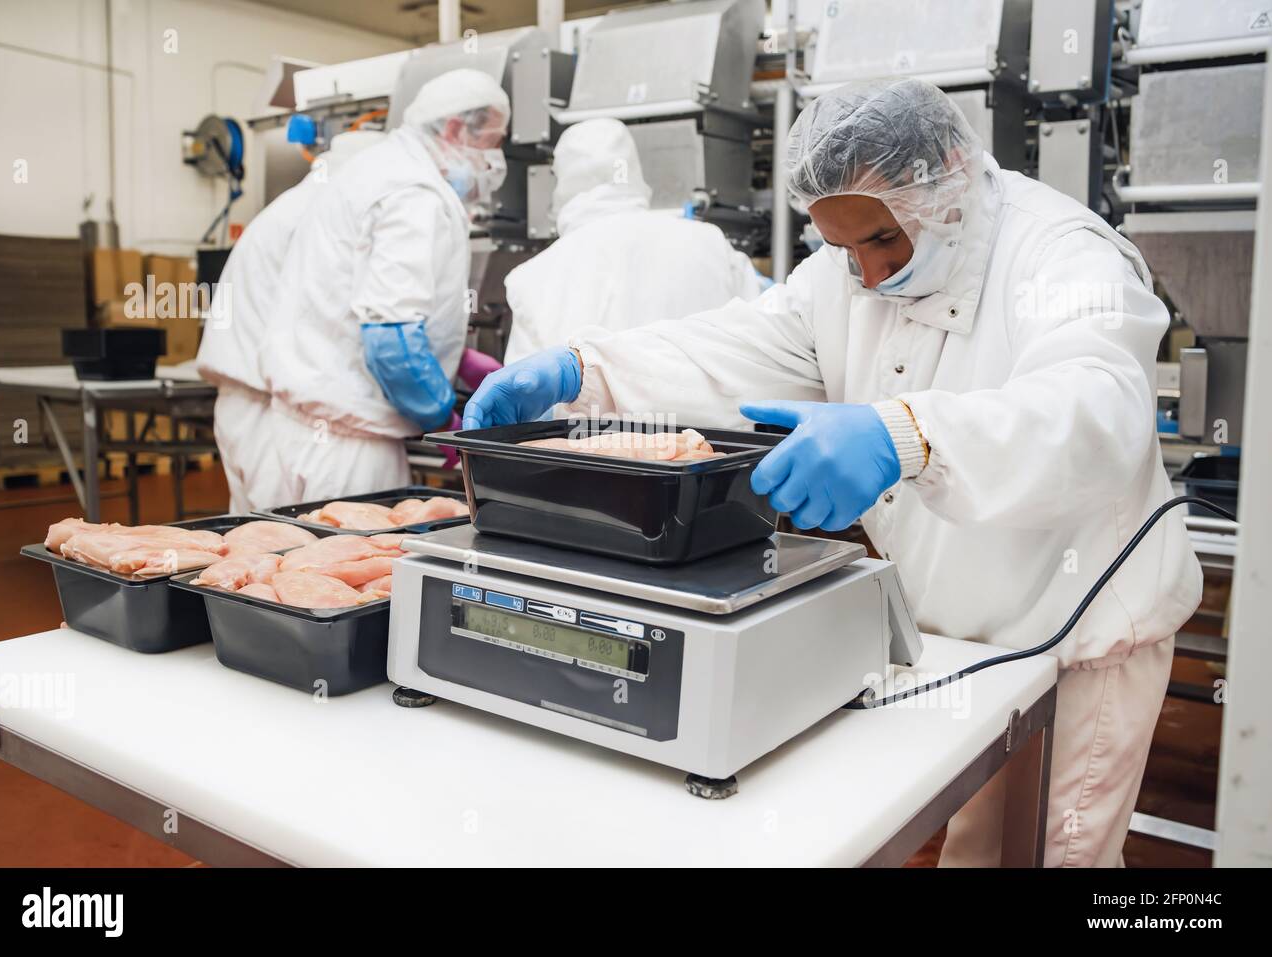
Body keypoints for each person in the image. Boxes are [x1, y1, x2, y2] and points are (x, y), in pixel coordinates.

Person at [463, 78, 1203, 868]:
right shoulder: (843, 274)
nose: (870, 275)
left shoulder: (1058, 251)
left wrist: (904, 435)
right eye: (844, 249)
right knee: (976, 851)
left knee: (1057, 854)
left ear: (950, 175)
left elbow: (1096, 410)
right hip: (962, 637)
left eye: (883, 240)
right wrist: (585, 369)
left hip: (1081, 630)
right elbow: (736, 347)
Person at [260, 68, 509, 503]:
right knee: (349, 568)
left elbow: (354, 303)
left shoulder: (373, 170)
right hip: (349, 450)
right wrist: (444, 417)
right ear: (454, 128)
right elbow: (391, 339)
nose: (491, 163)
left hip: (299, 431)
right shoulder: (415, 193)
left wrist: (450, 355)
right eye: (489, 144)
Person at [197, 130, 384, 512]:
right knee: (290, 547)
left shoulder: (291, 205)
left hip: (244, 403)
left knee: (256, 545)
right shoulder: (327, 215)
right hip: (272, 412)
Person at [502, 118, 764, 364]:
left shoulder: (531, 278)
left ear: (563, 180)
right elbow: (763, 343)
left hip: (588, 414)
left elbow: (523, 394)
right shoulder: (710, 242)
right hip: (711, 413)